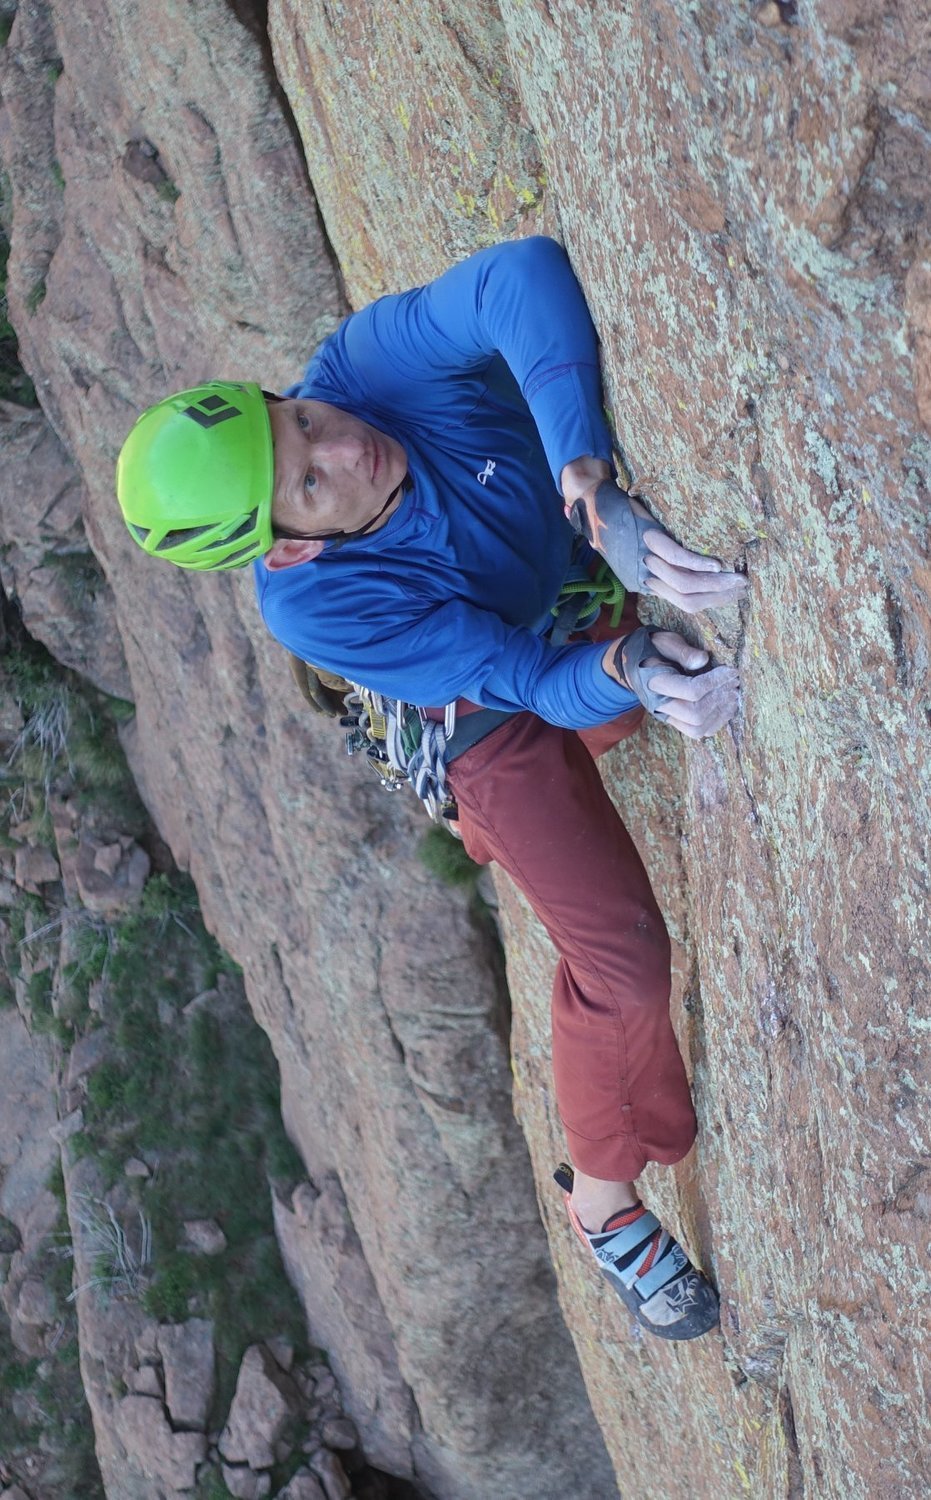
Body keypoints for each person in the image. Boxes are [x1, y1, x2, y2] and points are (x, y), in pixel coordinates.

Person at [116, 235, 746, 1341]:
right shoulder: (316, 608)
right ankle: (603, 1209)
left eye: (298, 423)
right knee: (623, 961)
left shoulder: (359, 369)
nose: (341, 449)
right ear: (292, 549)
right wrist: (625, 665)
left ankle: (570, 737)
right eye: (308, 484)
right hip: (479, 716)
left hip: (556, 588)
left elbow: (521, 279)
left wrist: (587, 476)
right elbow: (509, 677)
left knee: (601, 702)